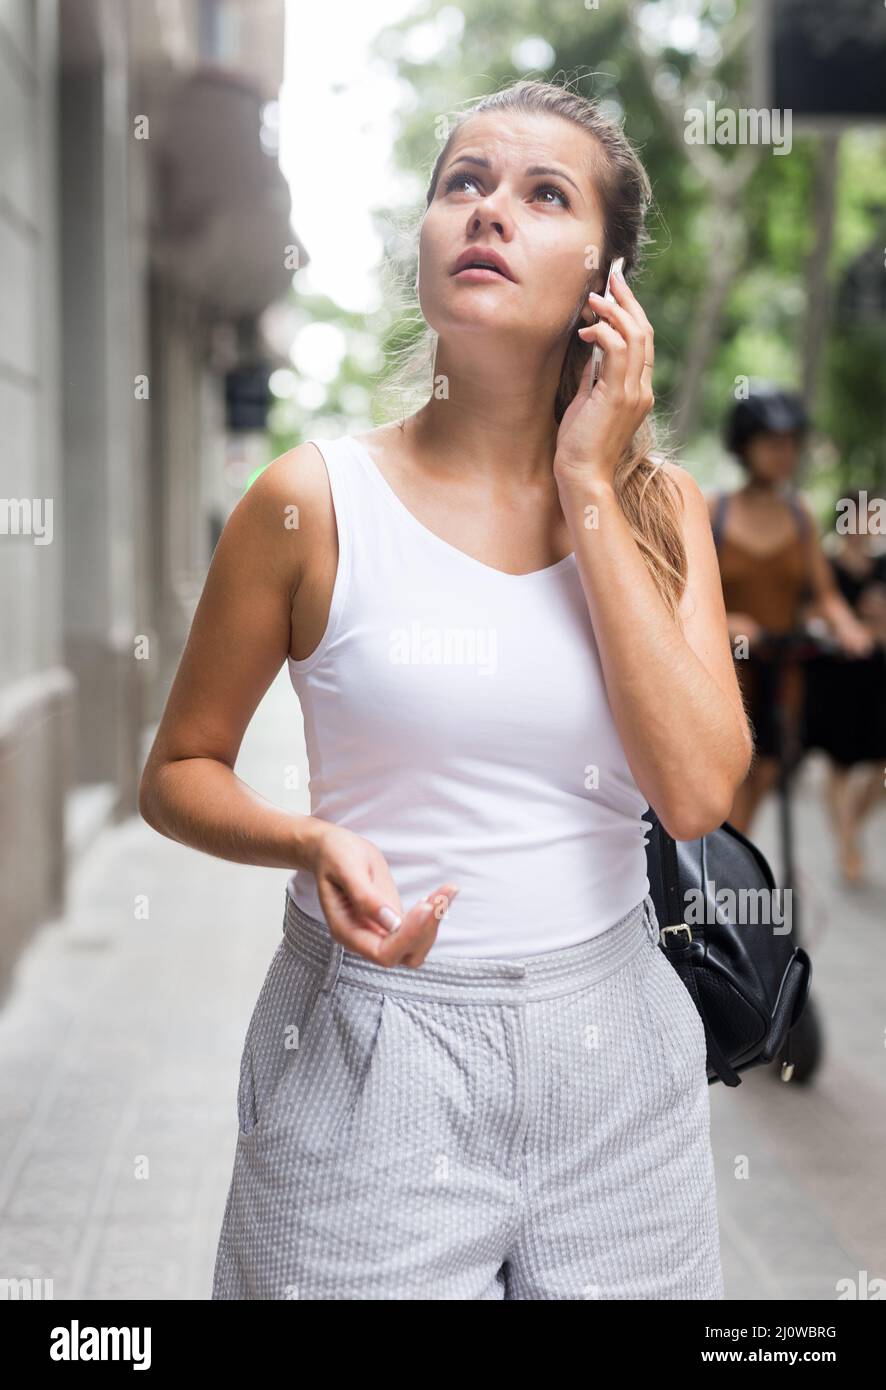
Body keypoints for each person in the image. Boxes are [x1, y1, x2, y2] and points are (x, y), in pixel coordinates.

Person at [139, 78, 753, 1301]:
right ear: (423, 236)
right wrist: (310, 839)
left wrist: (588, 478)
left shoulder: (659, 510)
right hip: (371, 1050)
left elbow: (692, 795)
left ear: (604, 279)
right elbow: (175, 773)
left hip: (614, 1054)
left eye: (541, 194)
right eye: (461, 183)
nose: (487, 211)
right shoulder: (308, 502)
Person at [709, 386, 873, 836]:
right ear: (746, 445)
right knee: (728, 775)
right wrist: (726, 623)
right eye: (773, 443)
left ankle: (733, 871)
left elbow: (824, 593)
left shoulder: (799, 516)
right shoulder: (714, 511)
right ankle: (710, 878)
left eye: (793, 444)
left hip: (782, 672)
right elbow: (678, 593)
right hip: (727, 670)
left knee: (766, 773)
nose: (786, 454)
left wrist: (845, 627)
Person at [800, 488, 886, 883]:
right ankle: (848, 843)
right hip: (837, 678)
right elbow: (810, 620)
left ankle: (850, 825)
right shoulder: (826, 567)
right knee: (838, 764)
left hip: (877, 678)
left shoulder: (882, 568)